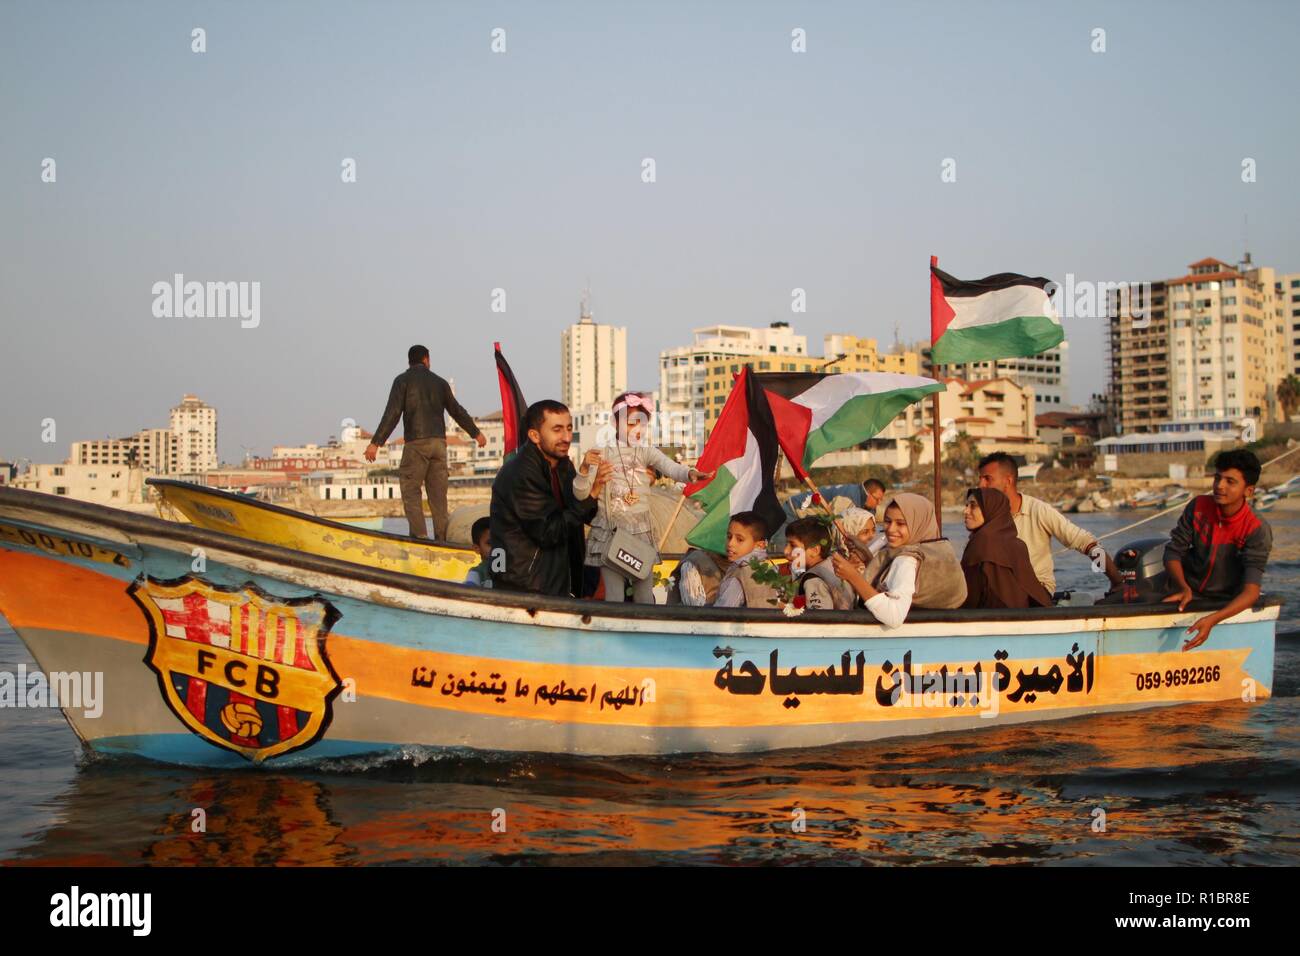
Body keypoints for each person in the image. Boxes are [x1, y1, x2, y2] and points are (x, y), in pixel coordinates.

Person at [572, 392, 708, 603]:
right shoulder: (600, 454)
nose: (637, 429)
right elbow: (580, 493)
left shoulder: (646, 452)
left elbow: (670, 467)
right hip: (609, 532)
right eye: (631, 422)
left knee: (644, 595)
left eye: (642, 424)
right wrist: (583, 469)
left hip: (640, 534)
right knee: (614, 596)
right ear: (615, 422)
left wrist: (690, 474)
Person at [366, 345, 487, 540]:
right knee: (438, 496)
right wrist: (476, 433)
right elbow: (456, 410)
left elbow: (392, 414)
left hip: (416, 444)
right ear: (426, 359)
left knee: (411, 491)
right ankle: (442, 539)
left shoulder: (402, 381)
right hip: (439, 445)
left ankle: (420, 537)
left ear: (409, 361)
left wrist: (375, 443)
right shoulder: (440, 383)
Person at [489, 400, 606, 596]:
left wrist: (598, 485)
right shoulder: (520, 473)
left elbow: (586, 514)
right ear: (534, 435)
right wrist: (590, 496)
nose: (567, 437)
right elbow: (548, 531)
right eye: (557, 430)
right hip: (526, 586)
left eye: (569, 428)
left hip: (559, 582)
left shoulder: (562, 465)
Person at [1162, 449, 1272, 650]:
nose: (1219, 486)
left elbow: (1251, 592)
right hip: (1185, 590)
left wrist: (1213, 620)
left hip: (1224, 600)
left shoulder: (1256, 528)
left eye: (1230, 481)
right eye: (1217, 478)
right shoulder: (1197, 506)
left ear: (1249, 491)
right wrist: (1183, 587)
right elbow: (1173, 552)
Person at [976, 451, 1123, 596]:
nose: (980, 485)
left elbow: (1087, 543)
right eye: (980, 479)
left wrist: (1117, 581)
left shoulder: (1038, 510)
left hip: (1036, 589)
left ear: (1008, 481)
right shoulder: (982, 515)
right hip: (999, 590)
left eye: (987, 479)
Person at [831, 493, 966, 628]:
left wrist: (853, 576)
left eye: (900, 524)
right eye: (888, 521)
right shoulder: (938, 549)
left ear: (917, 523)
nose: (891, 529)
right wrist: (866, 555)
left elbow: (894, 616)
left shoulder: (907, 560)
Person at [960, 488, 1053, 609]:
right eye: (966, 505)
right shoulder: (1018, 544)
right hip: (1022, 616)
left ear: (991, 509)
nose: (965, 511)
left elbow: (968, 595)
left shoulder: (980, 541)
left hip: (991, 618)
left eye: (973, 506)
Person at [715, 512, 781, 609]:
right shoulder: (772, 568)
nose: (730, 543)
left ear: (760, 545)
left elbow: (721, 614)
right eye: (729, 537)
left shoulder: (741, 573)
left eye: (740, 539)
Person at [784, 517, 852, 610]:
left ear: (815, 550)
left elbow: (818, 620)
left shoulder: (813, 580)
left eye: (793, 545)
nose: (786, 551)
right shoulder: (833, 566)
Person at [463, 516, 494, 588]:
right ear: (477, 548)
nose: (497, 547)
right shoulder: (477, 572)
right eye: (490, 543)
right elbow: (469, 590)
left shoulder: (513, 568)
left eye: (500, 542)